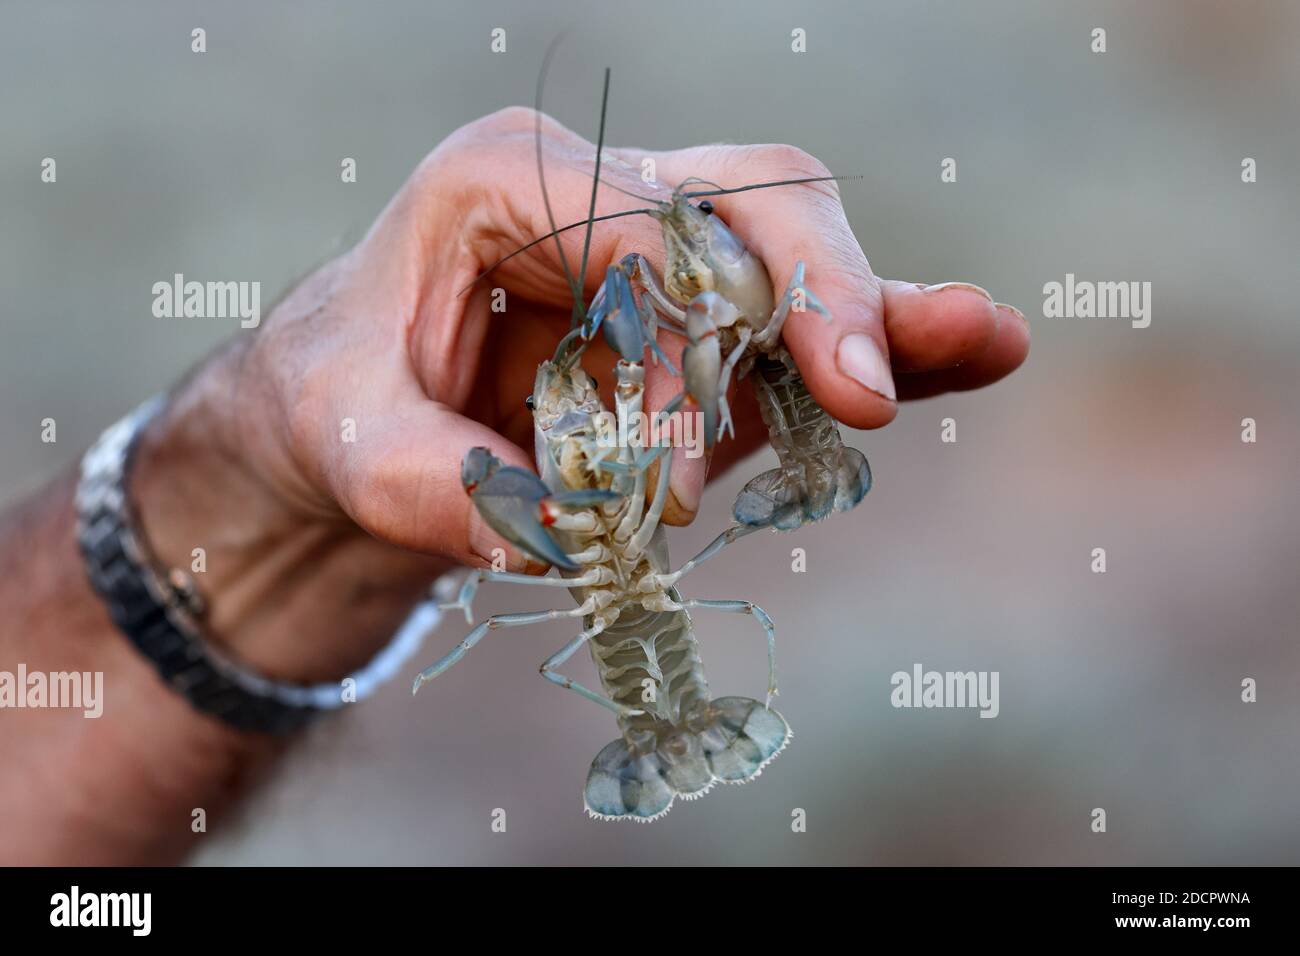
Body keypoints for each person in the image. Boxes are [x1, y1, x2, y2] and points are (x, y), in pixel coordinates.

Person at [0, 108, 1029, 863]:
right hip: (627, 608)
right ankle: (657, 726)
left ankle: (666, 714)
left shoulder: (612, 399)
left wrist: (287, 506)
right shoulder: (605, 432)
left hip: (621, 580)